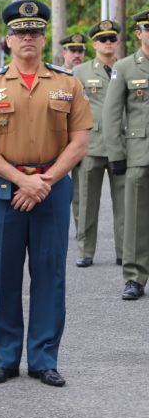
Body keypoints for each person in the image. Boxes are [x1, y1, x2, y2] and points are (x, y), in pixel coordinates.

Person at [0, 0, 91, 387]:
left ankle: (43, 358)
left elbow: (80, 140)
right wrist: (22, 181)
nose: (28, 38)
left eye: (34, 31)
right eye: (21, 32)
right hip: (5, 188)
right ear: (8, 40)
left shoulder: (67, 83)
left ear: (44, 36)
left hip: (51, 188)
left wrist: (45, 181)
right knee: (3, 274)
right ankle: (3, 358)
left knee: (50, 275)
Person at [104, 10, 149, 300]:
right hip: (138, 153)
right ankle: (134, 276)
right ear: (139, 33)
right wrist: (116, 153)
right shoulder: (125, 67)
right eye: (148, 28)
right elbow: (111, 114)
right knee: (135, 219)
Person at [72, 21, 124, 267]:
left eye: (112, 39)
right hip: (90, 145)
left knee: (125, 203)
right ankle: (85, 250)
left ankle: (125, 251)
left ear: (118, 43)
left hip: (122, 145)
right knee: (85, 200)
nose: (108, 44)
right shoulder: (80, 72)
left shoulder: (127, 68)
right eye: (103, 40)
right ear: (94, 44)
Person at [60, 33, 88, 233]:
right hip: (57, 143)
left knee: (81, 192)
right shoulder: (56, 76)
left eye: (80, 51)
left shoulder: (87, 74)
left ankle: (81, 231)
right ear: (64, 52)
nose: (77, 54)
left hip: (80, 143)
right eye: (73, 50)